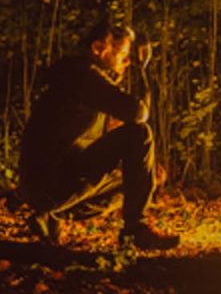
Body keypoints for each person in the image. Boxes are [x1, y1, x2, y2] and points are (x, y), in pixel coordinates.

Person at [18, 18, 179, 251]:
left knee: (149, 174)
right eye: (123, 53)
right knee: (140, 134)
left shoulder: (82, 80)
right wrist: (143, 73)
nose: (128, 61)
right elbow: (137, 112)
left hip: (53, 184)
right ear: (98, 49)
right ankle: (135, 230)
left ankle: (50, 214)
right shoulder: (82, 76)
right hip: (51, 181)